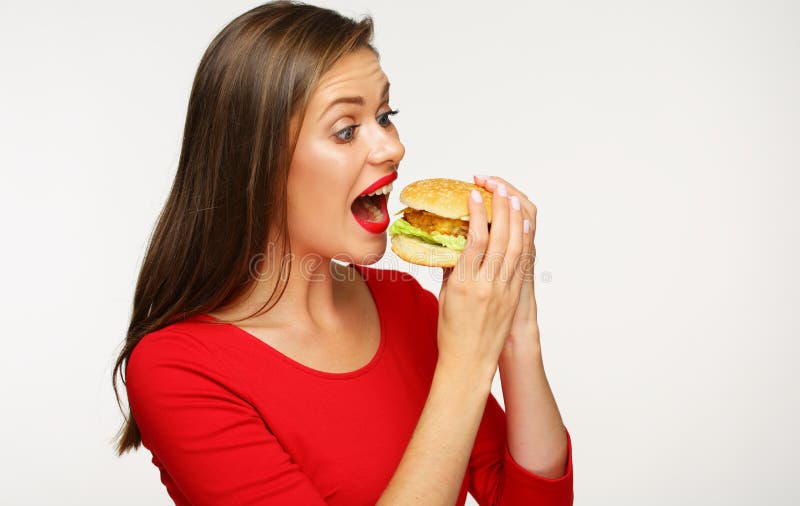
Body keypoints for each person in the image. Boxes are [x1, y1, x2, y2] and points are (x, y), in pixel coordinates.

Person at [111, 2, 573, 505]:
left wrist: (517, 333)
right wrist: (466, 362)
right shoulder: (177, 369)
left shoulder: (405, 305)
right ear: (257, 164)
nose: (392, 148)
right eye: (346, 130)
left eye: (385, 117)